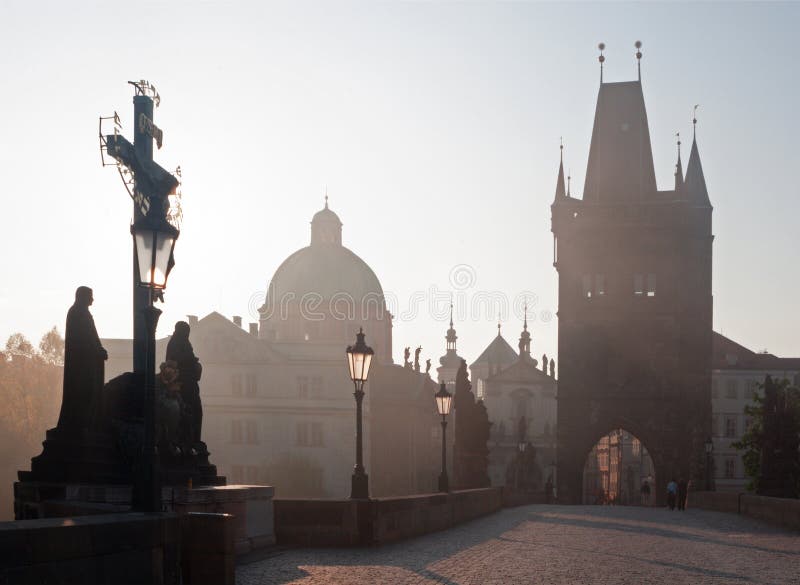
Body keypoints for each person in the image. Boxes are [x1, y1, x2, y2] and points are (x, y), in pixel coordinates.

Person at [57, 286, 107, 432]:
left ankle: (86, 421)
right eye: (90, 296)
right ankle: (82, 422)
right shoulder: (78, 313)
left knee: (88, 392)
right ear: (83, 296)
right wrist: (98, 350)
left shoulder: (80, 312)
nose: (92, 299)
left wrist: (99, 349)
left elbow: (91, 336)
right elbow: (86, 337)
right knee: (85, 392)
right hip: (82, 365)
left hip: (85, 362)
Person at [166, 321, 203, 445]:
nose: (187, 334)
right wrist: (193, 363)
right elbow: (178, 361)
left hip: (188, 383)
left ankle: (193, 439)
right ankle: (189, 440)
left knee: (195, 412)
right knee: (189, 412)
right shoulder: (176, 343)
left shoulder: (182, 343)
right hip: (182, 385)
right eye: (186, 332)